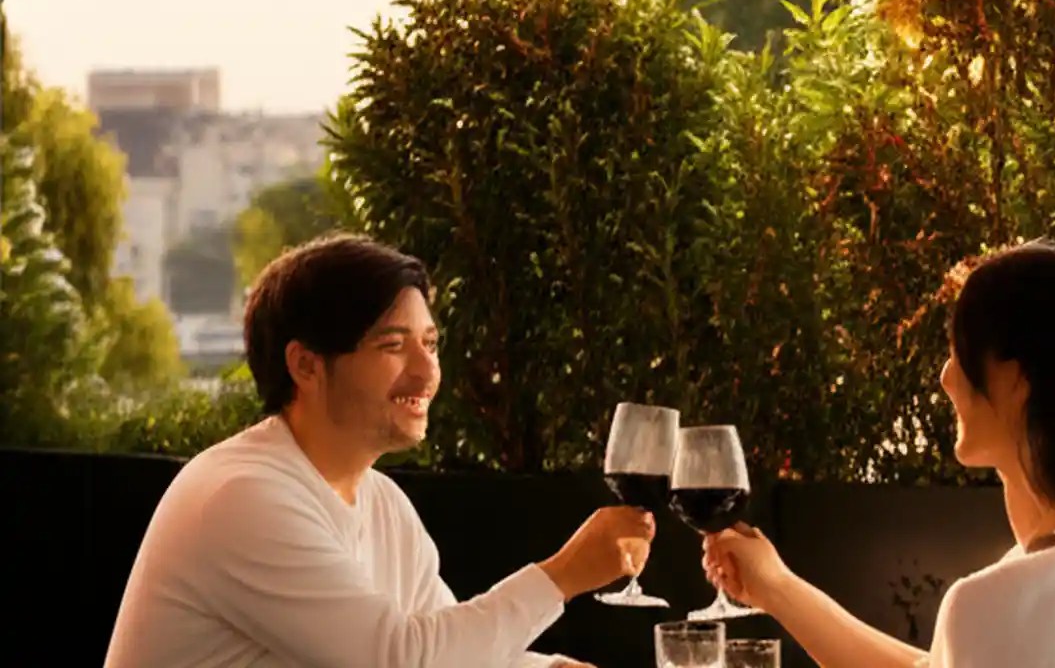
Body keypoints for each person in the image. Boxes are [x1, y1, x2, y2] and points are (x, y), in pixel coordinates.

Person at [106, 233, 653, 668]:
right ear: (306, 365)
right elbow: (399, 660)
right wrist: (564, 574)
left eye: (430, 343)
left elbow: (451, 654)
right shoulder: (241, 497)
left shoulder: (382, 501)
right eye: (393, 345)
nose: (427, 370)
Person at [703, 240, 1055, 667]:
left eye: (960, 352)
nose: (946, 377)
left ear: (1019, 380)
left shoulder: (1029, 592)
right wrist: (776, 588)